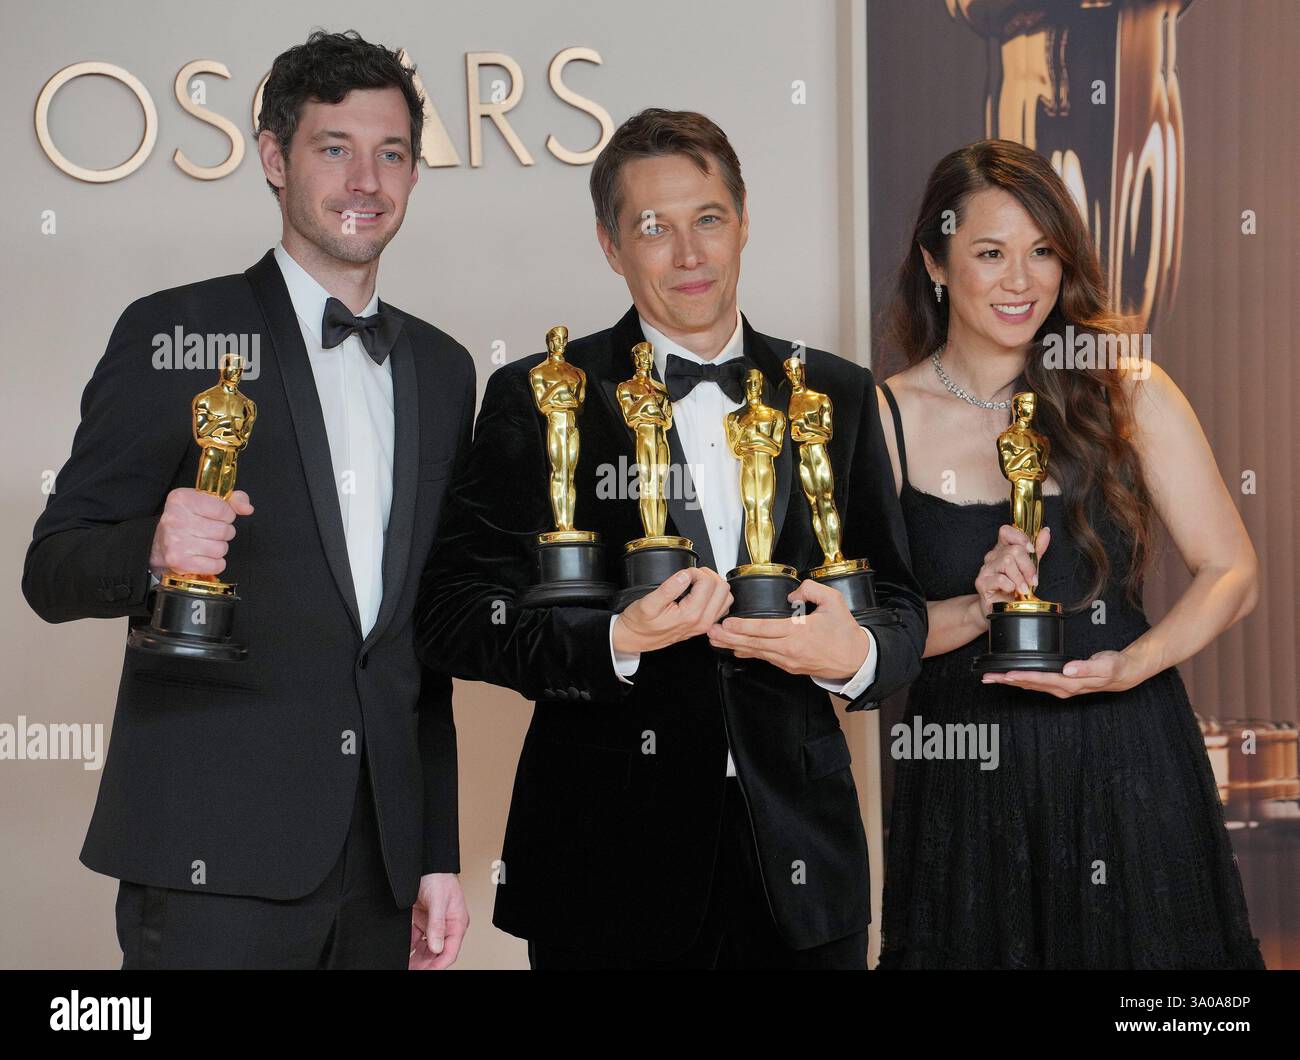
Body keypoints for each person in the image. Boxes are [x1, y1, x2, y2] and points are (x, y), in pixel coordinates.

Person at [415, 108, 926, 969]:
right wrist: (612, 639)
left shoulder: (834, 394)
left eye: (708, 220)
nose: (688, 255)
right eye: (654, 228)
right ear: (612, 247)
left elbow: (901, 605)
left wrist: (856, 656)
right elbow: (454, 614)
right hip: (600, 867)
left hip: (800, 870)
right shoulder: (543, 394)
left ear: (744, 222)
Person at [22, 30, 471, 970]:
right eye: (333, 148)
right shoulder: (173, 332)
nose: (366, 181)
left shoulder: (442, 367)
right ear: (274, 159)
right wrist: (151, 545)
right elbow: (51, 569)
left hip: (379, 866)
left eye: (391, 154)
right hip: (209, 860)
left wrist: (433, 855)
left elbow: (415, 641)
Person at [875, 138, 1265, 969]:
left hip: (1125, 759)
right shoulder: (883, 419)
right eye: (990, 253)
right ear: (935, 265)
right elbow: (875, 636)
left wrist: (1134, 663)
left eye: (1043, 251)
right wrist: (976, 608)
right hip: (965, 781)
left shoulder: (1128, 391)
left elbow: (1232, 572)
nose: (1021, 280)